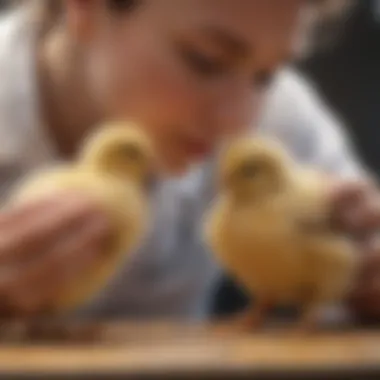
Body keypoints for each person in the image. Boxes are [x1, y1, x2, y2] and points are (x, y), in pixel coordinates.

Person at [0, 0, 378, 322]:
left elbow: (362, 251)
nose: (237, 123)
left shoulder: (276, 124)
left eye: (267, 76)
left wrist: (366, 271)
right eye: (205, 61)